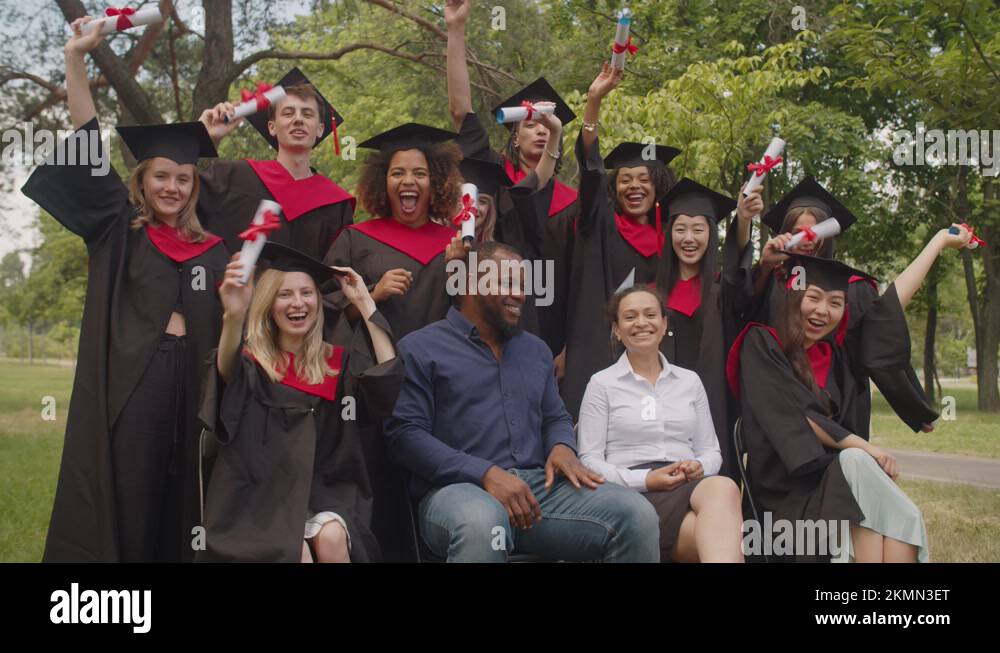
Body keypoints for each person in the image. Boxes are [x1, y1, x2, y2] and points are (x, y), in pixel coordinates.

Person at [20, 17, 228, 562]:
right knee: (132, 495)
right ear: (141, 181)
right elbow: (88, 140)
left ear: (193, 187)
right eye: (161, 176)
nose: (172, 187)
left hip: (196, 377)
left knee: (189, 498)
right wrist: (76, 58)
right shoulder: (119, 227)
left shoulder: (213, 248)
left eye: (183, 179)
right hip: (137, 381)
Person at [384, 241, 660, 562]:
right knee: (482, 523)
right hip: (455, 492)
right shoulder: (420, 348)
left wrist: (561, 447)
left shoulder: (536, 351)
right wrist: (485, 473)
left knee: (635, 515)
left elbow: (555, 417)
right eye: (507, 283)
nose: (519, 294)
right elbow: (405, 436)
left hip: (538, 493)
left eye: (523, 286)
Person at [728, 229, 973, 562]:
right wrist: (865, 447)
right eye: (813, 297)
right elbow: (797, 417)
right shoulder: (762, 344)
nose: (822, 311)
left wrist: (938, 243)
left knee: (899, 519)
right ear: (793, 294)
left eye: (835, 303)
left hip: (839, 486)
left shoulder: (839, 357)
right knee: (860, 479)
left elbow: (888, 308)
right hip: (784, 504)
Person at [198, 243, 403, 562]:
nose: (298, 303)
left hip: (322, 494)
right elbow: (225, 372)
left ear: (319, 302)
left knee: (333, 537)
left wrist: (365, 302)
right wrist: (233, 317)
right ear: (268, 303)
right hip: (256, 501)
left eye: (306, 293)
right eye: (285, 294)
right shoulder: (252, 366)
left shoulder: (334, 366)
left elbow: (385, 383)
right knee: (294, 552)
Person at [733, 176, 938, 436]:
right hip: (780, 402)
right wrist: (764, 267)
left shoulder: (853, 286)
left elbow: (878, 336)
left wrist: (912, 405)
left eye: (815, 231)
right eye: (797, 232)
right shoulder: (772, 280)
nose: (806, 240)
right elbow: (740, 314)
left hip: (840, 401)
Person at [446, 0, 578, 366]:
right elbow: (461, 113)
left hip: (549, 317)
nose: (539, 131)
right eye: (530, 125)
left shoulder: (572, 201)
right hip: (488, 307)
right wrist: (455, 30)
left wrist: (571, 346)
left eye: (546, 126)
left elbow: (577, 280)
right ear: (514, 137)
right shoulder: (496, 175)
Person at [577, 286, 744, 563]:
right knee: (724, 542)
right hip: (630, 492)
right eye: (630, 317)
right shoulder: (602, 384)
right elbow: (589, 461)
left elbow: (711, 451)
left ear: (664, 323)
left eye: (650, 314)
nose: (641, 322)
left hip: (687, 483)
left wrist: (698, 466)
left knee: (724, 486)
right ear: (616, 329)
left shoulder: (689, 381)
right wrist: (645, 479)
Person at [560, 61, 681, 420]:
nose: (634, 186)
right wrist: (594, 100)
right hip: (595, 352)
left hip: (656, 358)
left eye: (643, 178)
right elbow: (591, 169)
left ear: (658, 185)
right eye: (625, 179)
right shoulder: (599, 225)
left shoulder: (673, 240)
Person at [323, 123, 466, 341]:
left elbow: (476, 318)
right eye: (397, 173)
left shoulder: (456, 246)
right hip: (373, 367)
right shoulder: (355, 240)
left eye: (420, 173)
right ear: (382, 182)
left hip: (442, 367)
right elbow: (327, 312)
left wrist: (460, 270)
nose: (408, 180)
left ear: (436, 182)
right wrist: (374, 294)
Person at [197, 67, 355, 262]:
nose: (298, 119)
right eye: (288, 113)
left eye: (307, 114)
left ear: (320, 129)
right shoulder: (230, 177)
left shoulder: (336, 204)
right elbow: (173, 204)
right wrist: (201, 136)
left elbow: (338, 276)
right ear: (271, 127)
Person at [653, 178, 743, 478]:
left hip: (713, 408)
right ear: (669, 233)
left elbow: (739, 268)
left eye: (698, 229)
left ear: (711, 234)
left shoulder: (722, 291)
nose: (688, 238)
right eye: (680, 229)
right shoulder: (652, 295)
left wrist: (744, 219)